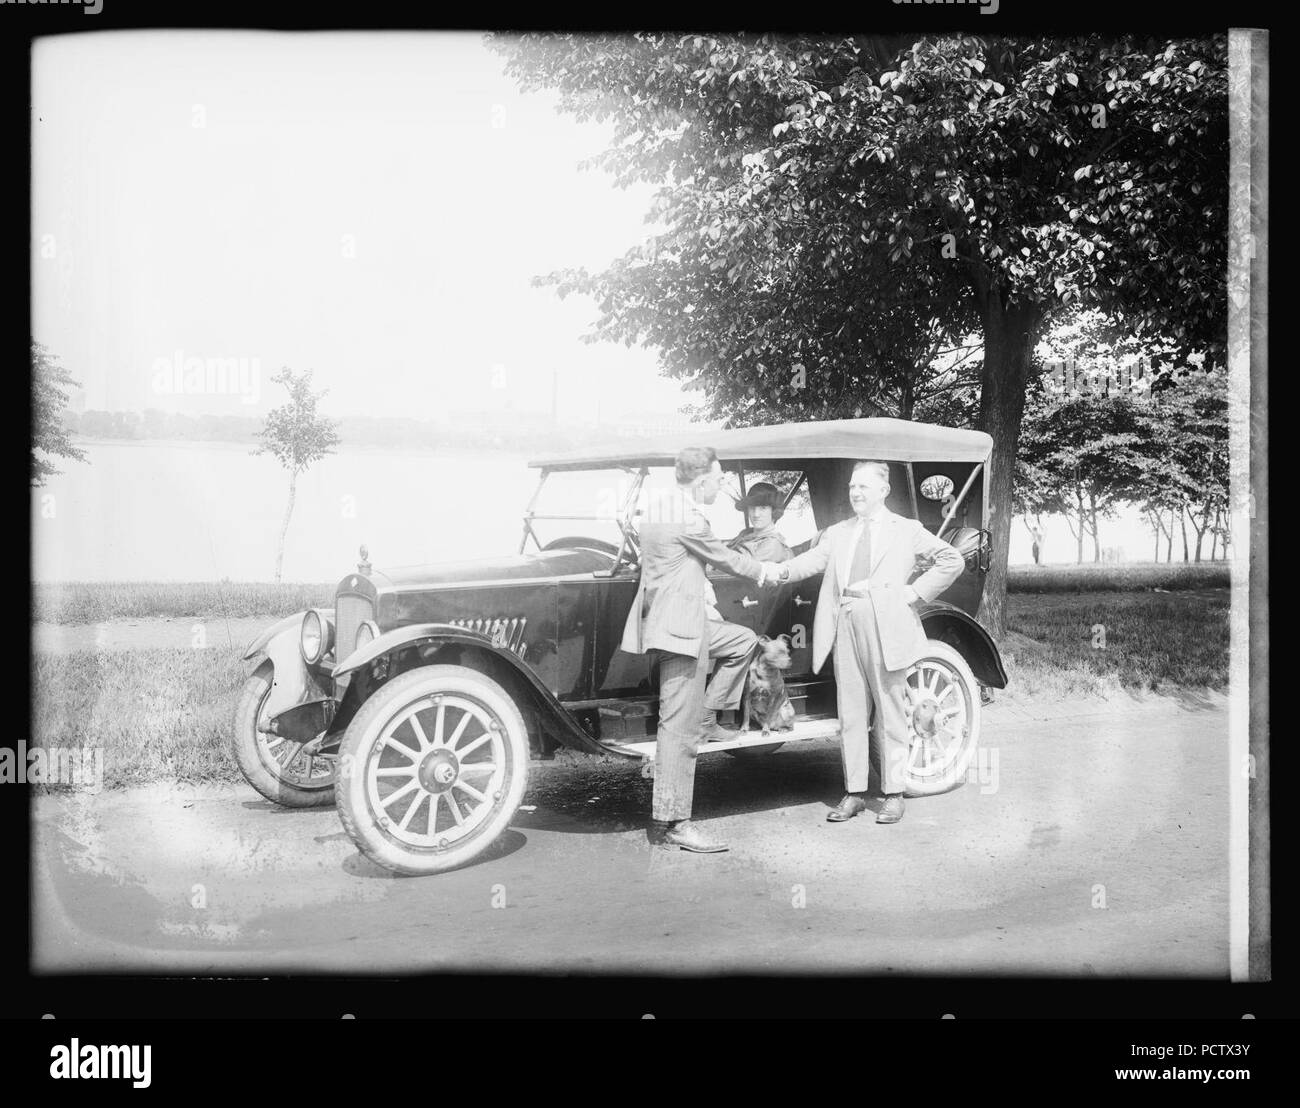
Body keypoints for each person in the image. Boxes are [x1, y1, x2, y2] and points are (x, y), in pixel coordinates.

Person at [759, 461, 964, 825]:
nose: (855, 493)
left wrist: (916, 591)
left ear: (883, 491)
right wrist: (777, 571)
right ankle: (854, 793)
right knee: (850, 710)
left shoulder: (907, 529)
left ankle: (894, 794)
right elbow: (808, 562)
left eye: (863, 488)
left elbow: (951, 559)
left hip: (886, 622)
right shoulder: (838, 532)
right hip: (846, 619)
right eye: (852, 487)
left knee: (890, 709)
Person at [621, 446, 766, 853]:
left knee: (740, 643)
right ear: (701, 480)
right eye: (720, 481)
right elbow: (727, 559)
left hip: (676, 624)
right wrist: (769, 571)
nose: (721, 488)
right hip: (681, 631)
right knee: (678, 730)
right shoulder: (686, 517)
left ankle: (707, 719)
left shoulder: (659, 508)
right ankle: (674, 824)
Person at [728, 482, 795, 562]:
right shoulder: (745, 534)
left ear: (774, 510)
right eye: (752, 508)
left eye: (763, 508)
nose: (756, 514)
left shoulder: (772, 545)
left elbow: (744, 568)